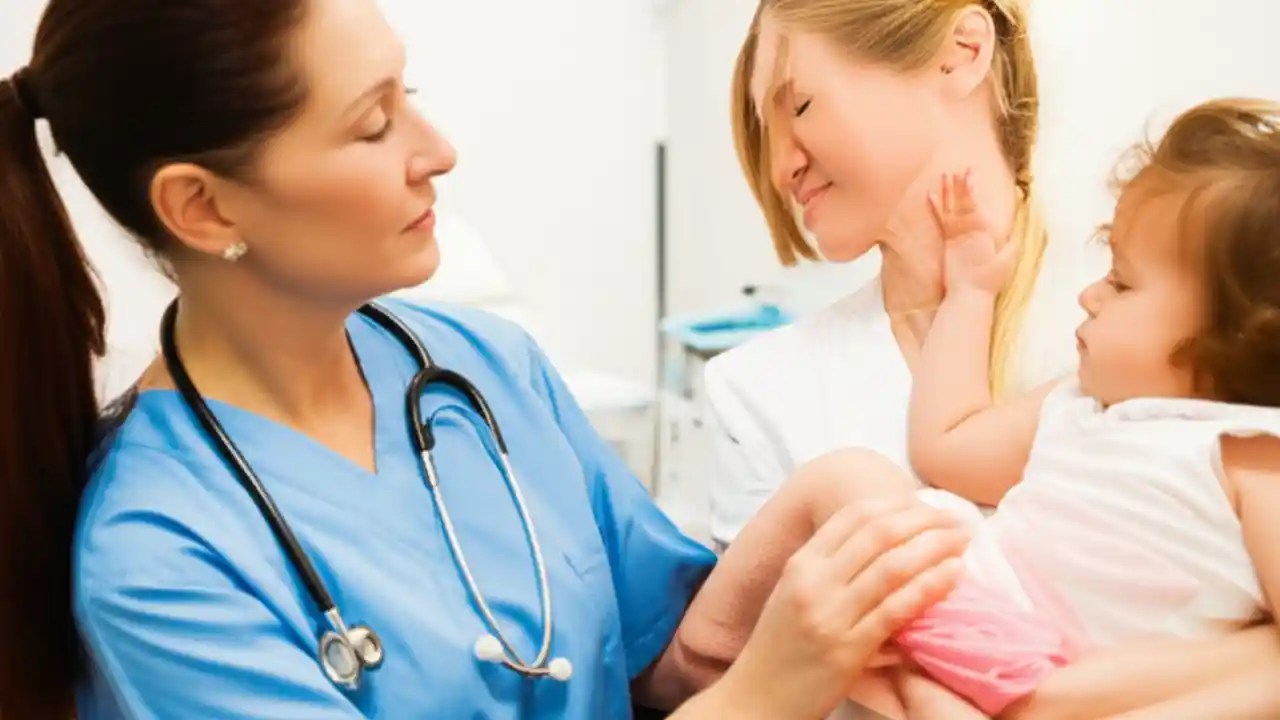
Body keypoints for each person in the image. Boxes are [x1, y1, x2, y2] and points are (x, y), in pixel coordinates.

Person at [0, 1, 969, 718]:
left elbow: (643, 671)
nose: (439, 150)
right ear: (204, 208)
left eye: (407, 93)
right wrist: (771, 688)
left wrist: (806, 534)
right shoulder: (160, 557)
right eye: (373, 122)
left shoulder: (482, 372)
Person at [673, 100, 1280, 719]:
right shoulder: (1081, 402)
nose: (1090, 295)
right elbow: (947, 445)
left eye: (1122, 284)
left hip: (1109, 682)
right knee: (848, 478)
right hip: (987, 622)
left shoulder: (1250, 452)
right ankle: (706, 654)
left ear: (1236, 336)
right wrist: (971, 293)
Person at [707, 0, 1050, 551]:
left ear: (962, 53)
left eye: (800, 104)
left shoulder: (1152, 317)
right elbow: (740, 638)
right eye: (766, 133)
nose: (779, 170)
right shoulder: (757, 394)